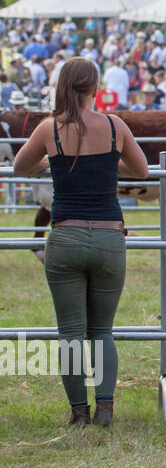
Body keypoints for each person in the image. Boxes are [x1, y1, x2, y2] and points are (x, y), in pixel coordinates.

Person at [12, 57, 150, 427]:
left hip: (65, 235)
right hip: (108, 237)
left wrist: (51, 164)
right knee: (102, 330)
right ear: (95, 88)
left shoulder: (49, 129)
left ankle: (78, 413)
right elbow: (142, 171)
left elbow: (19, 167)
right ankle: (106, 409)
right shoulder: (114, 125)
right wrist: (109, 165)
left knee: (71, 332)